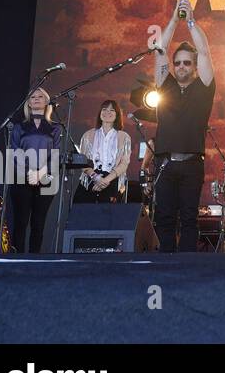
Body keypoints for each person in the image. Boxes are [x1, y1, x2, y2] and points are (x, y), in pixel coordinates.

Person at [150, 0, 216, 252]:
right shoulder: (166, 86)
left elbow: (205, 51)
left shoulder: (204, 87)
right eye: (177, 63)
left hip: (191, 164)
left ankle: (186, 269)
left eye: (187, 63)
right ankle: (164, 268)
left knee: (189, 219)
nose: (181, 67)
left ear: (195, 66)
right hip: (165, 163)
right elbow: (160, 50)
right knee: (164, 219)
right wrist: (172, 19)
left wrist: (190, 22)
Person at [8, 86, 62, 253]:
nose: (36, 99)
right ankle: (16, 261)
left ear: (47, 102)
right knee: (20, 223)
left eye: (40, 96)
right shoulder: (19, 127)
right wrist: (29, 173)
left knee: (38, 224)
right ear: (28, 103)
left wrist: (40, 172)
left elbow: (56, 153)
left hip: (45, 179)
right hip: (21, 178)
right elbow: (15, 152)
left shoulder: (55, 127)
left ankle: (34, 261)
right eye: (32, 97)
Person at [75, 100, 132, 205]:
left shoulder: (124, 137)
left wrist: (106, 180)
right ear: (100, 113)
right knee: (83, 214)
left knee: (108, 217)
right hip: (90, 178)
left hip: (113, 179)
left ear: (117, 115)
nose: (107, 112)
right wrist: (96, 177)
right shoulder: (88, 135)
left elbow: (124, 164)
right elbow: (83, 161)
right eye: (104, 109)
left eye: (112, 110)